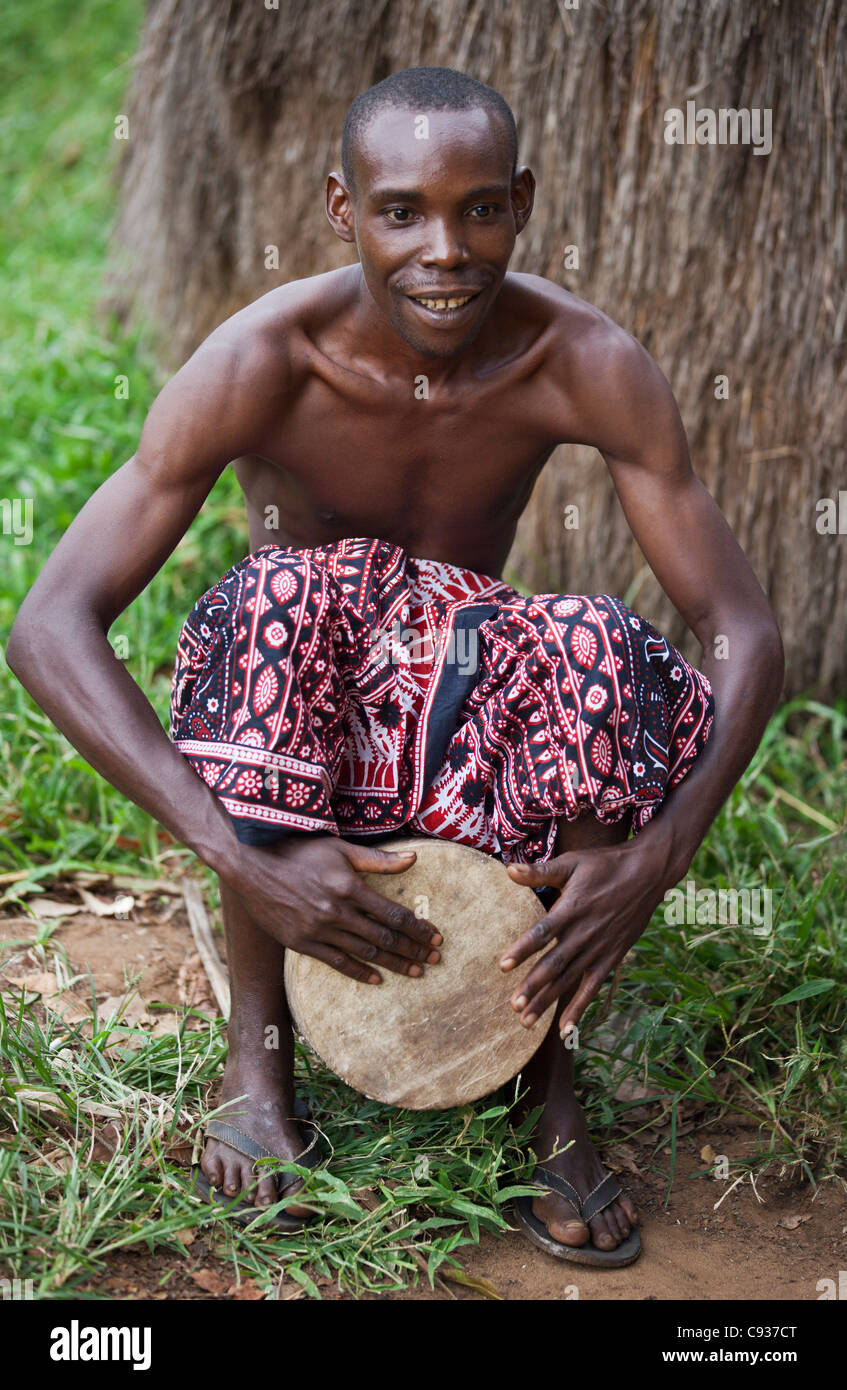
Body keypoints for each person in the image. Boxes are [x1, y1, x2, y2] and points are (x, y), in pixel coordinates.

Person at [7, 66, 783, 1268]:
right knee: (283, 594)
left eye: (480, 209)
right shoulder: (265, 359)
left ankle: (546, 1091)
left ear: (521, 202)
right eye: (403, 210)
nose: (445, 249)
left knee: (581, 633)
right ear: (342, 208)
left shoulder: (582, 359)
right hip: (298, 773)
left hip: (479, 767)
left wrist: (659, 851)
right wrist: (239, 856)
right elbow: (49, 624)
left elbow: (743, 629)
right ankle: (258, 1057)